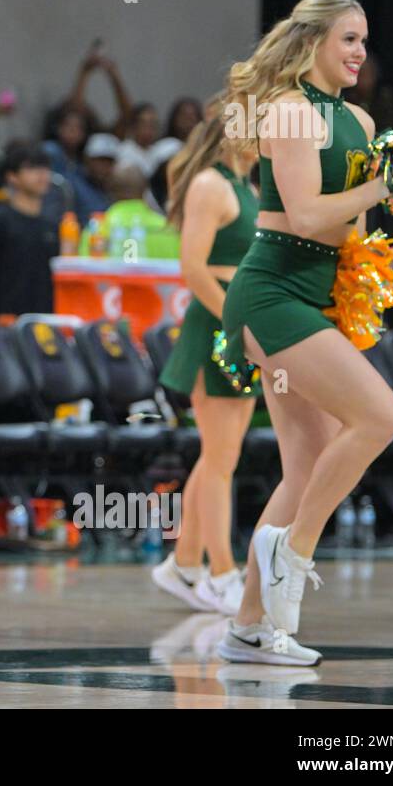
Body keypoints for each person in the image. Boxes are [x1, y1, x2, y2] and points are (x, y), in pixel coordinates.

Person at [215, 0, 393, 666]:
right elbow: (301, 216)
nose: (358, 52)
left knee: (303, 468)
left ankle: (246, 628)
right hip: (269, 291)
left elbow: (346, 226)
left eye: (363, 40)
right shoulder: (291, 112)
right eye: (346, 39)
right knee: (381, 415)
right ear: (313, 42)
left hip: (315, 293)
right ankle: (291, 552)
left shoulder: (355, 116)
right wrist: (384, 187)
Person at [151, 113, 259, 615]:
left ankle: (183, 562)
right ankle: (221, 572)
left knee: (222, 457)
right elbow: (193, 268)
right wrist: (235, 323)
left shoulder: (247, 187)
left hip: (240, 327)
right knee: (219, 460)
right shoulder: (210, 184)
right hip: (216, 324)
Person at [0, 142, 63, 323]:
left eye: (45, 167)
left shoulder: (52, 227)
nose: (42, 174)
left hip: (45, 325)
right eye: (31, 167)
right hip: (6, 324)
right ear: (12, 176)